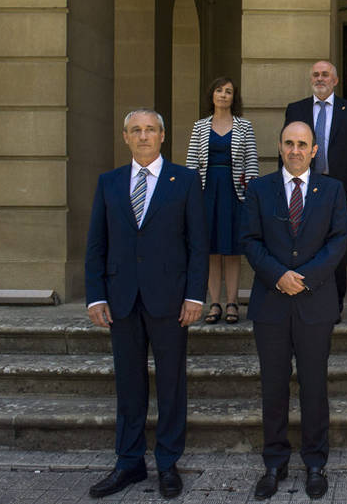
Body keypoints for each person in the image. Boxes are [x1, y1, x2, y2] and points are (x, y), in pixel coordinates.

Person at [84, 109, 208, 500]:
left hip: (171, 301)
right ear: (125, 137)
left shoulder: (185, 180)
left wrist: (195, 295)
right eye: (135, 130)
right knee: (128, 385)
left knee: (171, 385)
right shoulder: (109, 183)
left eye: (150, 130)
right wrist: (96, 296)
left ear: (162, 136)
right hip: (121, 301)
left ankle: (168, 462)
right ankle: (129, 462)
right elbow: (96, 245)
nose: (143, 136)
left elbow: (197, 244)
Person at [240, 121, 347, 500]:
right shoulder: (259, 189)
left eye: (303, 144)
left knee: (314, 386)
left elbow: (337, 242)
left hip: (315, 303)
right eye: (289, 143)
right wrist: (278, 276)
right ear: (280, 146)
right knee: (273, 387)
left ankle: (315, 462)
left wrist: (303, 279)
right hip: (270, 304)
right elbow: (250, 240)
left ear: (314, 150)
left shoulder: (332, 190)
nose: (296, 150)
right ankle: (274, 462)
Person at [284, 60, 347, 316]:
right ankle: (306, 296)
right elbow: (285, 151)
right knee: (304, 243)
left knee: (336, 247)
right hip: (303, 186)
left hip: (338, 188)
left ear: (335, 80)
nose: (320, 79)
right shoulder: (296, 109)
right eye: (316, 75)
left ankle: (336, 304)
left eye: (325, 75)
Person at [185, 77, 258, 324]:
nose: (223, 95)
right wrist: (191, 196)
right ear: (212, 95)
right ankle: (214, 303)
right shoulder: (200, 126)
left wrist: (250, 196)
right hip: (206, 193)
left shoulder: (244, 126)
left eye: (228, 91)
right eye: (219, 90)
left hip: (234, 193)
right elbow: (191, 164)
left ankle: (232, 303)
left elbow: (251, 164)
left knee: (232, 251)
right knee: (211, 250)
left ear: (233, 97)